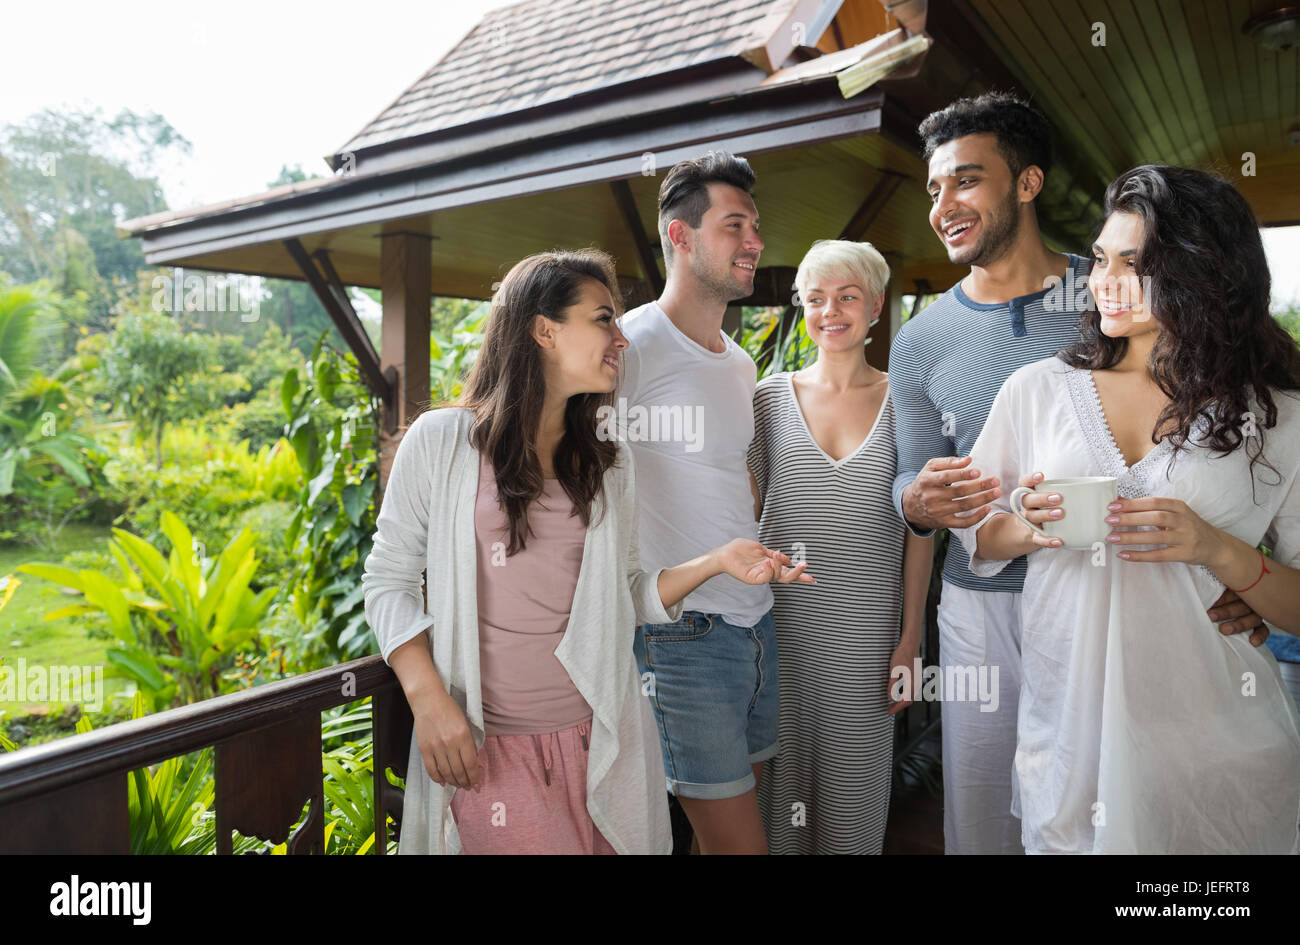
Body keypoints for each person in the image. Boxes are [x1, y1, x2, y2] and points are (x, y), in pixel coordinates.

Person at [888, 92, 1268, 854]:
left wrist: (1252, 578)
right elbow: (909, 484)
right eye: (933, 189)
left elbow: (1225, 460)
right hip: (985, 604)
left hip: (1135, 609)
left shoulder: (1112, 295)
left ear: (1026, 184)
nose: (944, 204)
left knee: (1119, 799)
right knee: (990, 808)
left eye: (965, 179)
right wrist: (919, 502)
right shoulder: (920, 337)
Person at [361, 249, 812, 855]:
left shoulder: (608, 461)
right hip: (488, 751)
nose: (621, 339)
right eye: (603, 318)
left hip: (602, 745)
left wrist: (716, 562)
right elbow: (388, 579)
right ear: (544, 329)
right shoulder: (441, 443)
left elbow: (623, 593)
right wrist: (427, 697)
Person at [617, 151, 786, 854]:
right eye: (734, 225)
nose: (755, 242)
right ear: (678, 237)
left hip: (756, 629)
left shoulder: (739, 361)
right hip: (680, 636)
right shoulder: (627, 346)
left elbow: (726, 478)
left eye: (755, 226)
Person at [748, 239, 933, 854]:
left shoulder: (902, 399)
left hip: (867, 640)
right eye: (816, 299)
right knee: (777, 817)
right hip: (780, 637)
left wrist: (910, 641)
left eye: (847, 297)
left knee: (852, 818)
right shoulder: (766, 400)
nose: (831, 311)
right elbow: (743, 520)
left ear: (876, 304)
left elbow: (920, 530)